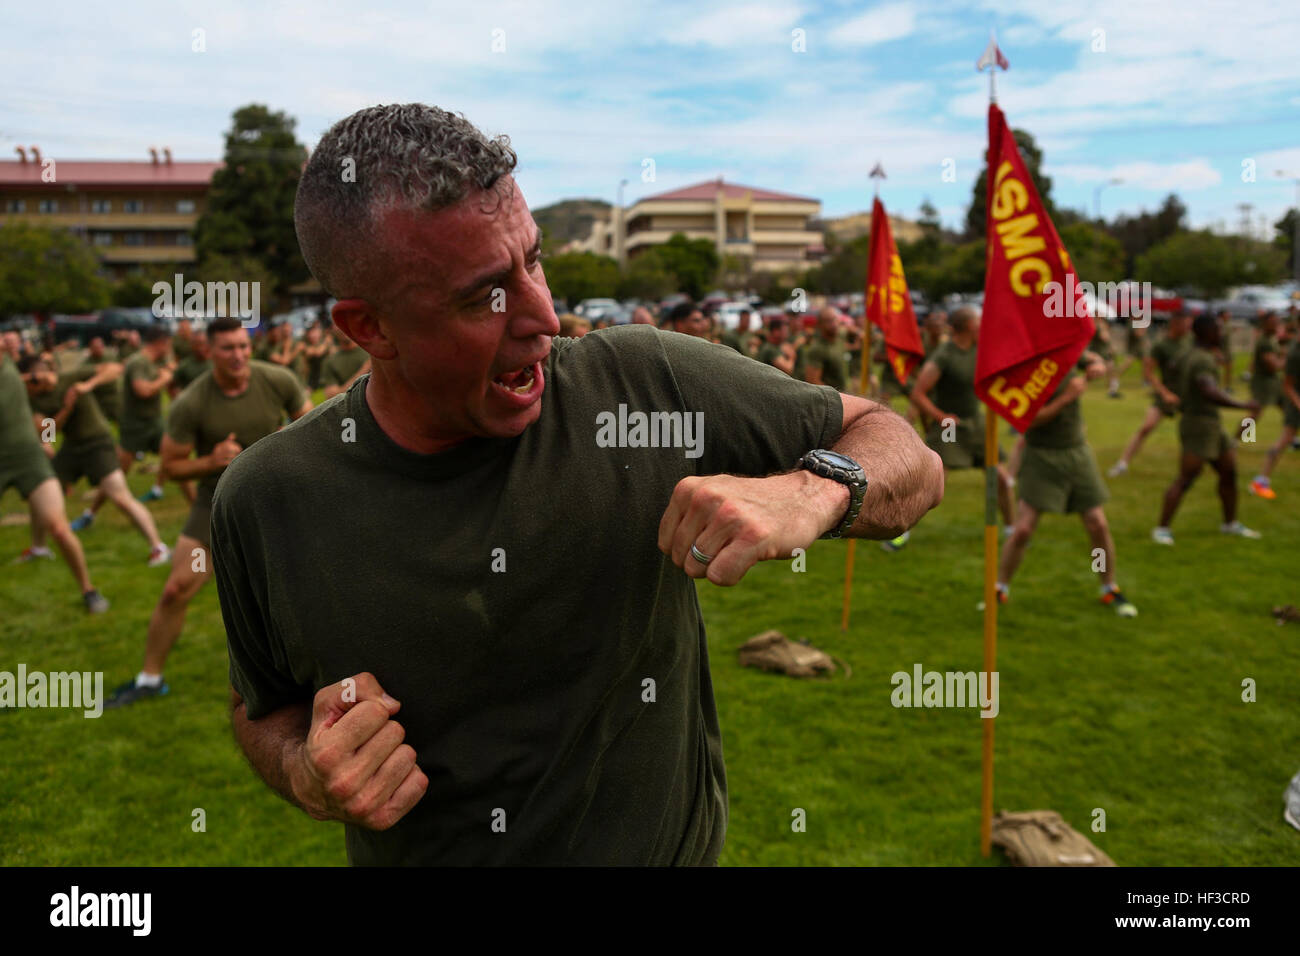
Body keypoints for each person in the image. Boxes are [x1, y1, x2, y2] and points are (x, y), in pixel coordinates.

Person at [211, 103, 944, 866]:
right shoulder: (267, 498)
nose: (545, 316)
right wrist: (304, 770)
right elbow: (260, 703)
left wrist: (814, 491)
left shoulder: (642, 384)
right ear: (368, 328)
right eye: (483, 297)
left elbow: (907, 456)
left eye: (532, 260)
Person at [105, 317, 312, 708]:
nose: (238, 355)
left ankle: (313, 680)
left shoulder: (277, 380)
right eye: (228, 348)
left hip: (273, 501)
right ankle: (149, 680)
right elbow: (170, 466)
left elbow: (314, 426)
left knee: (301, 593)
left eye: (243, 346)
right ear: (210, 352)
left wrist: (291, 441)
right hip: (215, 504)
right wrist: (211, 460)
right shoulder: (192, 402)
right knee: (176, 589)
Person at [997, 351, 1136, 616]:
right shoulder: (1025, 366)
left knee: (1097, 524)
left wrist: (1096, 366)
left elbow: (1093, 358)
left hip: (1076, 452)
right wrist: (1067, 398)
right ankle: (1000, 587)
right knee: (1024, 528)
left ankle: (1109, 588)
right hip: (1040, 454)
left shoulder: (1063, 348)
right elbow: (1028, 420)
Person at [21, 355, 170, 566]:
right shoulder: (34, 399)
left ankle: (158, 547)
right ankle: (39, 547)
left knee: (120, 497)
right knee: (40, 492)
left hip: (98, 443)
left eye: (31, 382)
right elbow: (48, 435)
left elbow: (114, 369)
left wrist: (88, 385)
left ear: (40, 374)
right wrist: (66, 409)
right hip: (71, 447)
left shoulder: (70, 378)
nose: (30, 389)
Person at [1, 349, 109, 611]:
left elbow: (45, 427)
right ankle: (38, 547)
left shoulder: (13, 369)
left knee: (60, 528)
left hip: (28, 456)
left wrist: (45, 437)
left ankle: (89, 590)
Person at [906, 305, 1016, 551]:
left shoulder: (980, 348)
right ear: (968, 326)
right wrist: (941, 416)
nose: (982, 325)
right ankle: (900, 531)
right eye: (978, 321)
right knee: (932, 483)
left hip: (975, 423)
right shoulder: (945, 355)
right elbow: (918, 394)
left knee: (1000, 478)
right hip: (950, 427)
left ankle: (1012, 530)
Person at [1153, 315, 1262, 545]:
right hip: (1199, 425)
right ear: (1206, 332)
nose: (1221, 333)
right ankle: (1161, 529)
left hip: (1211, 424)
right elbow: (1208, 391)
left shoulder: (1187, 353)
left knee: (1229, 473)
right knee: (1186, 478)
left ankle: (1230, 524)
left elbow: (1172, 372)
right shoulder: (1202, 360)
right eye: (1218, 329)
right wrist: (1242, 405)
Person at [1109, 310, 1192, 477]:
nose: (1189, 327)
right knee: (1146, 427)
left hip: (1189, 395)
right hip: (1166, 394)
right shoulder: (1162, 346)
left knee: (1198, 430)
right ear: (1175, 324)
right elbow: (1149, 373)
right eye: (1186, 323)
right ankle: (1122, 463)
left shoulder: (1190, 342)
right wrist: (1164, 393)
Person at [118, 325, 174, 503]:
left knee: (172, 457)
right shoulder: (139, 362)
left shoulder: (152, 362)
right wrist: (163, 380)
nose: (168, 349)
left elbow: (169, 366)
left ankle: (161, 490)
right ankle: (97, 506)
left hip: (154, 421)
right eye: (168, 345)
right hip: (135, 424)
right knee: (121, 469)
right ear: (160, 343)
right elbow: (142, 391)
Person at [1252, 326, 1300, 498]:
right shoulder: (1268, 343)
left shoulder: (1277, 342)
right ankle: (1239, 440)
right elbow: (1282, 376)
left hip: (1273, 385)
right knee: (1252, 415)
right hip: (1263, 386)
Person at [801, 307, 850, 391]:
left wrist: (859, 334)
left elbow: (848, 330)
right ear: (819, 325)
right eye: (828, 321)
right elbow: (813, 381)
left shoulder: (840, 336)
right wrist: (837, 396)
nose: (833, 324)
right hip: (832, 399)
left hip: (843, 392)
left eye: (835, 319)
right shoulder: (817, 349)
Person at [320, 324, 370, 399]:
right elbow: (332, 398)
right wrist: (365, 370)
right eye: (337, 324)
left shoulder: (371, 350)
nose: (343, 326)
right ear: (332, 329)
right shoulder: (330, 361)